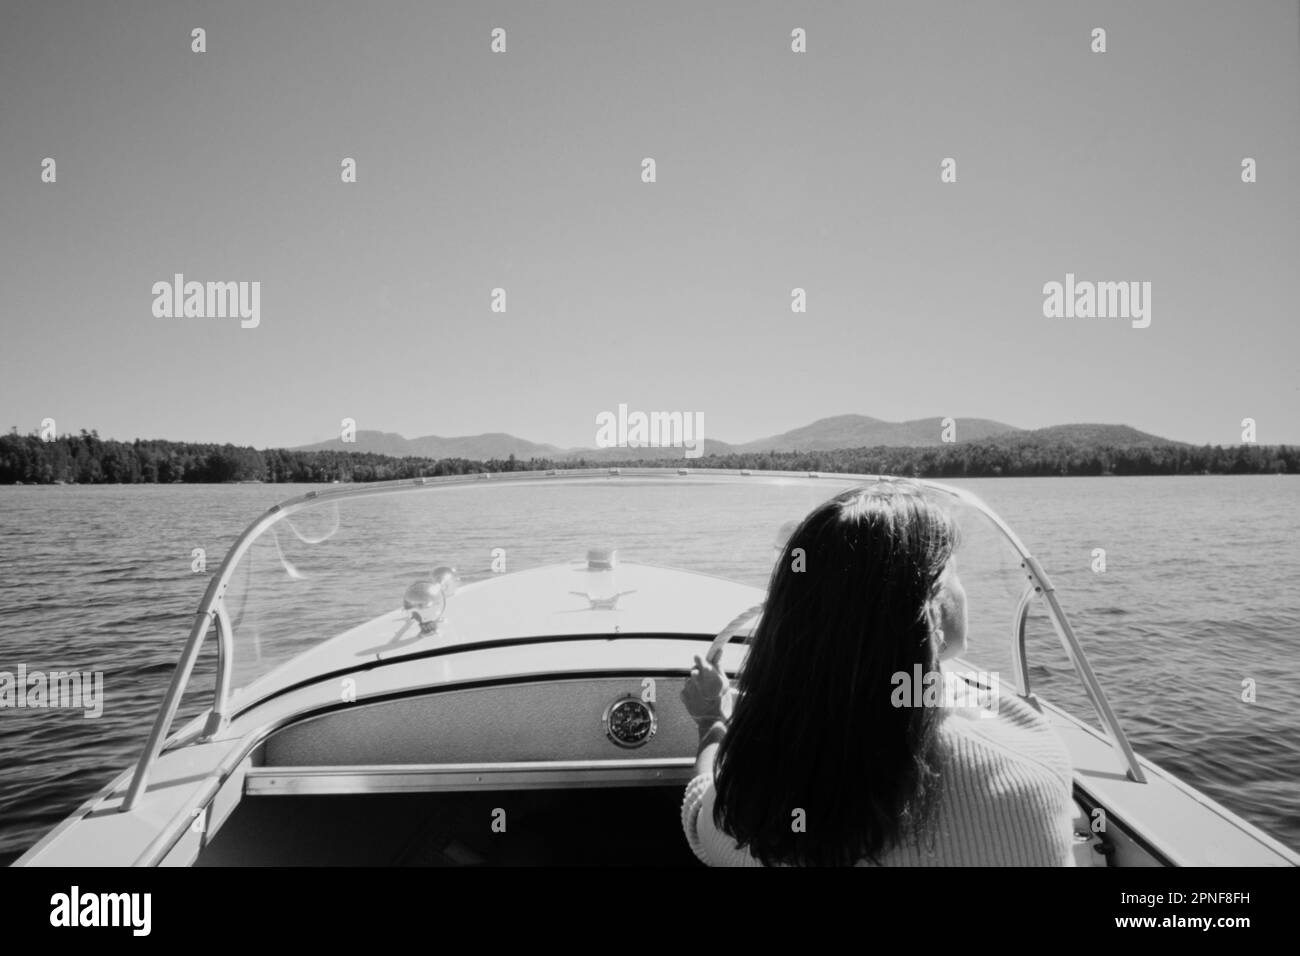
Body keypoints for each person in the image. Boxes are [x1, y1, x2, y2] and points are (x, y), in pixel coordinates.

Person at [680, 480, 1076, 866]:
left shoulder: (754, 808)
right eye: (956, 572)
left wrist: (711, 719)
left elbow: (702, 817)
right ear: (932, 607)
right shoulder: (1033, 765)